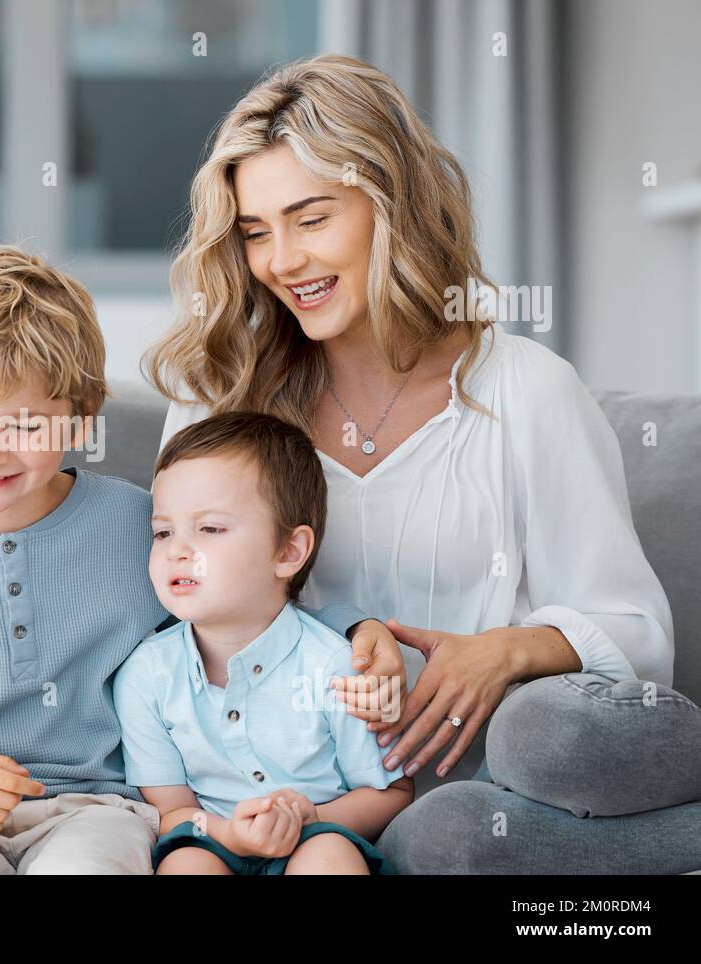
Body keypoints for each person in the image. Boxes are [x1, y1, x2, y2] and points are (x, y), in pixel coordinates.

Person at [149, 54, 700, 873]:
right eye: (256, 232)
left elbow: (640, 635)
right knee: (450, 837)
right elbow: (171, 611)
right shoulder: (219, 396)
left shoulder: (528, 393)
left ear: (390, 205)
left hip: (491, 784)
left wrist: (506, 650)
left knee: (522, 754)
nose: (282, 261)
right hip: (292, 802)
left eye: (311, 218)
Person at [0, 245, 397, 873]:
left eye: (24, 428)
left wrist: (353, 628)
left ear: (81, 419)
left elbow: (242, 604)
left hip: (100, 810)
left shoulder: (139, 526)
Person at [117, 411, 413, 875]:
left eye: (210, 529)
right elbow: (170, 812)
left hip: (316, 832)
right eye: (163, 532)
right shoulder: (145, 675)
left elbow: (389, 791)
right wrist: (230, 834)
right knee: (186, 866)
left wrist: (311, 818)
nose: (178, 550)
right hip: (212, 836)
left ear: (288, 552)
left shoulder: (335, 665)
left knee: (328, 858)